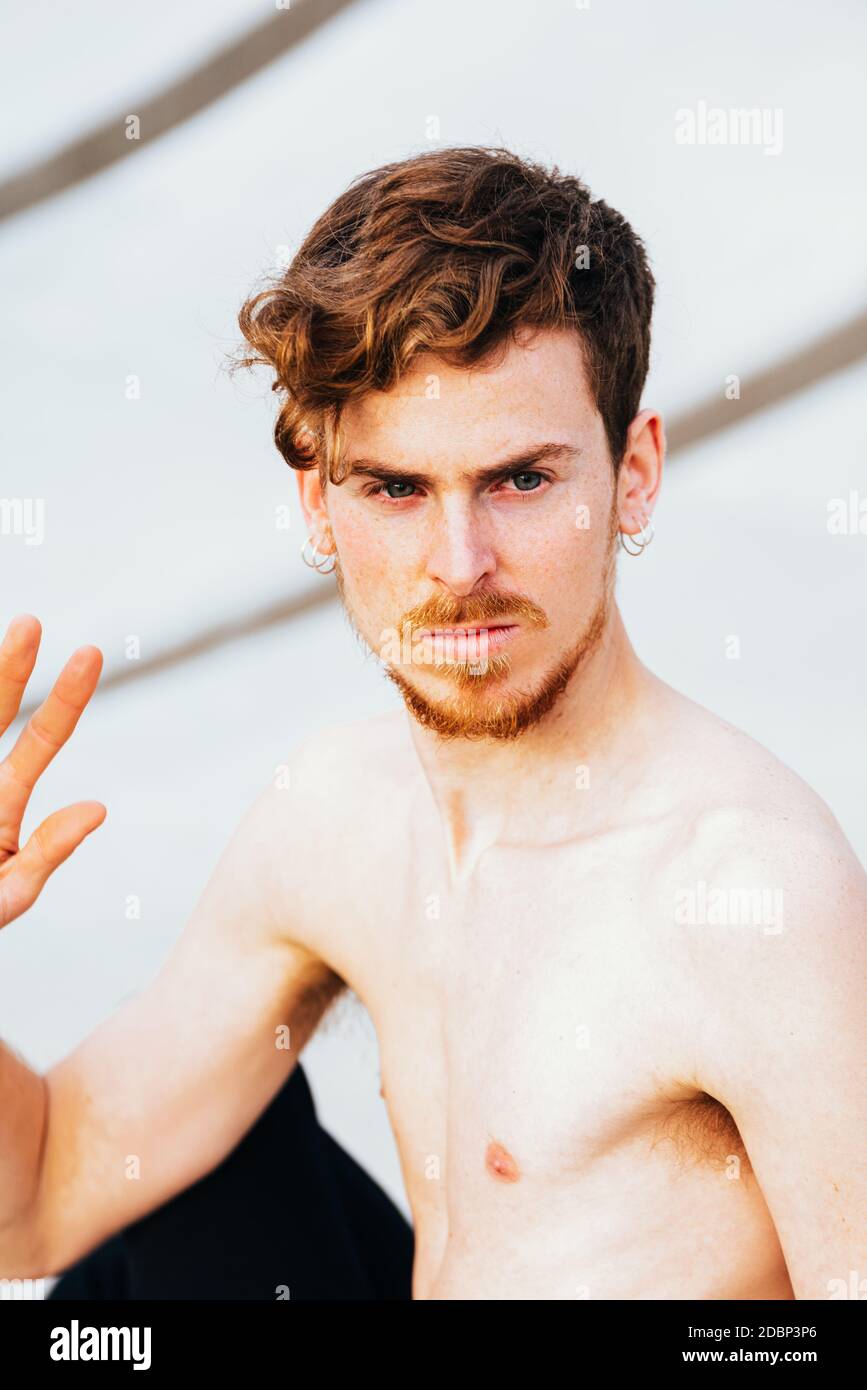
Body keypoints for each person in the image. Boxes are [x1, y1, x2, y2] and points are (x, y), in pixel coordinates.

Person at [1, 146, 864, 1301]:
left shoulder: (751, 894)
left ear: (634, 472)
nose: (460, 568)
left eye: (521, 479)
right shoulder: (336, 815)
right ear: (320, 499)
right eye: (397, 489)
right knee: (190, 1191)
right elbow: (40, 1210)